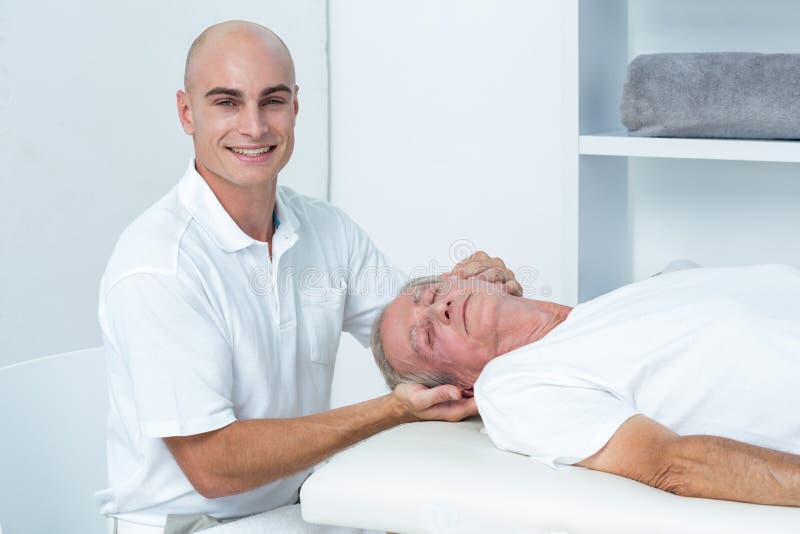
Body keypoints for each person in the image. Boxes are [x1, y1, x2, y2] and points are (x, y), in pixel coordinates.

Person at [96, 20, 521, 532]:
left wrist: (492, 318)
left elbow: (418, 347)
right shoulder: (159, 264)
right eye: (227, 103)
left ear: (295, 106)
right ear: (188, 113)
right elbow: (213, 465)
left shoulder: (325, 231)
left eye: (271, 101)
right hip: (194, 523)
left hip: (306, 504)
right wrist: (390, 410)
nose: (254, 127)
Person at [373, 264, 800, 507]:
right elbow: (673, 466)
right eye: (427, 336)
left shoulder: (614, 304)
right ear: (461, 390)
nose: (440, 309)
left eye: (432, 294)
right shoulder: (509, 388)